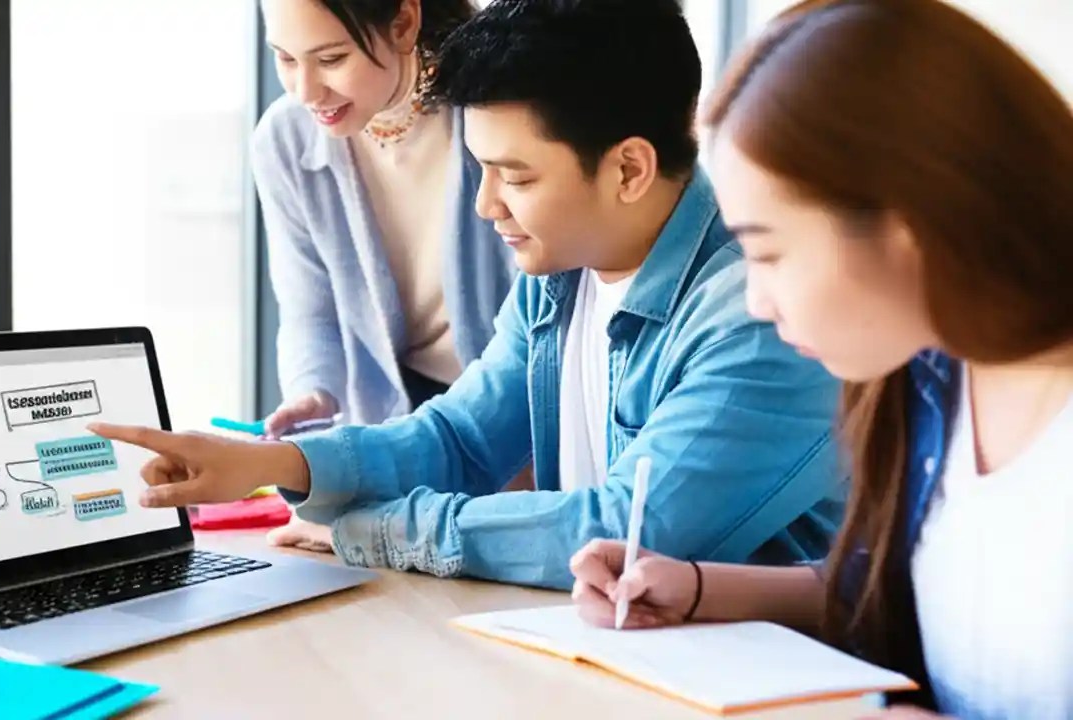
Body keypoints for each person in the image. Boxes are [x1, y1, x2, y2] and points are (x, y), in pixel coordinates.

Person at [93, 0, 846, 590]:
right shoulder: (559, 276)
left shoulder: (762, 315)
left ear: (628, 170)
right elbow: (460, 439)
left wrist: (376, 531)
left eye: (515, 177)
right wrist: (273, 463)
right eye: (480, 168)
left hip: (759, 680)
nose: (487, 206)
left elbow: (624, 530)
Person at [567, 1, 1073, 718]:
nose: (758, 303)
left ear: (911, 223)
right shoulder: (933, 379)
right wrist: (696, 588)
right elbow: (879, 588)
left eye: (769, 253)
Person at [254, 0, 515, 437]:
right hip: (390, 418)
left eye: (331, 59)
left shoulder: (494, 111)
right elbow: (310, 310)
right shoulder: (283, 140)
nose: (306, 91)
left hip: (503, 404)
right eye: (284, 57)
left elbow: (544, 305)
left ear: (403, 24)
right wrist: (313, 392)